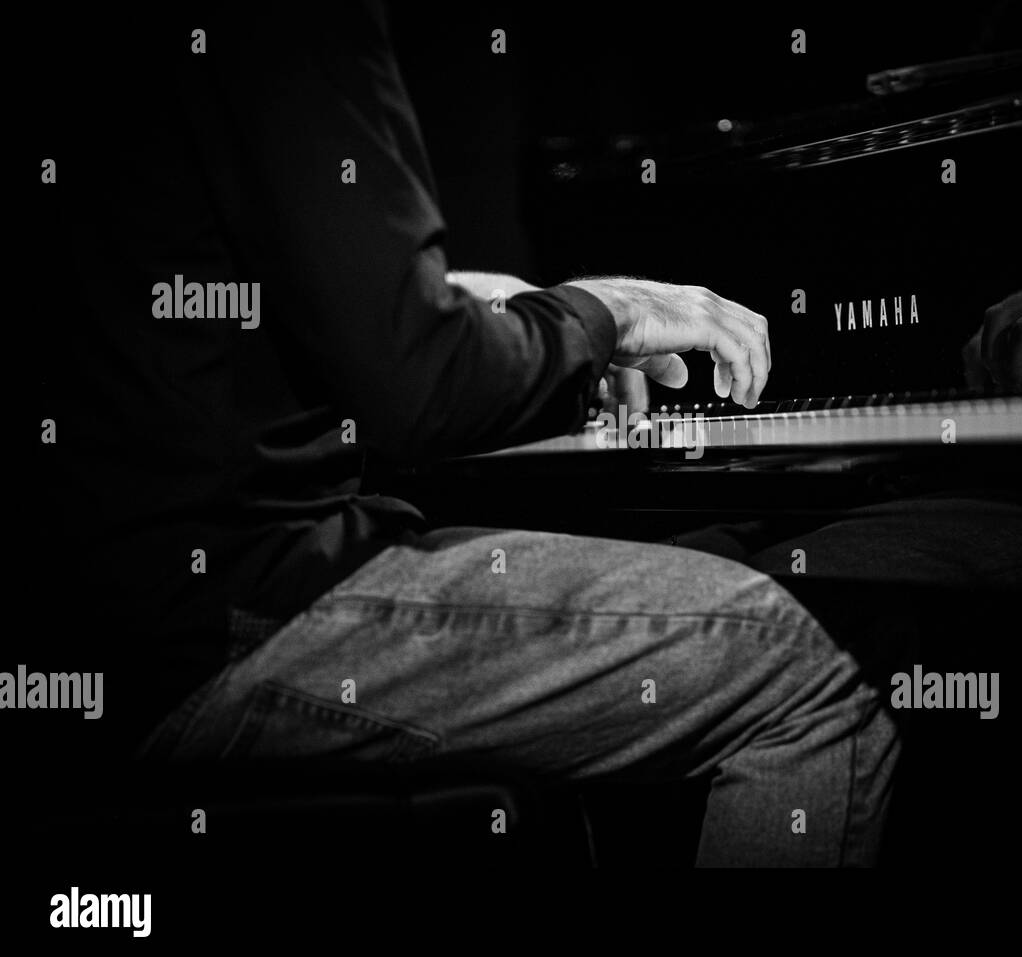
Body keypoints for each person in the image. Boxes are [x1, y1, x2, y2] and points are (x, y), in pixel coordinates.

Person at [37, 5, 898, 866]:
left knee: (719, 567)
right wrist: (612, 311)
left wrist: (451, 305)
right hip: (225, 616)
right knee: (818, 662)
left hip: (106, 609)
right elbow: (420, 386)